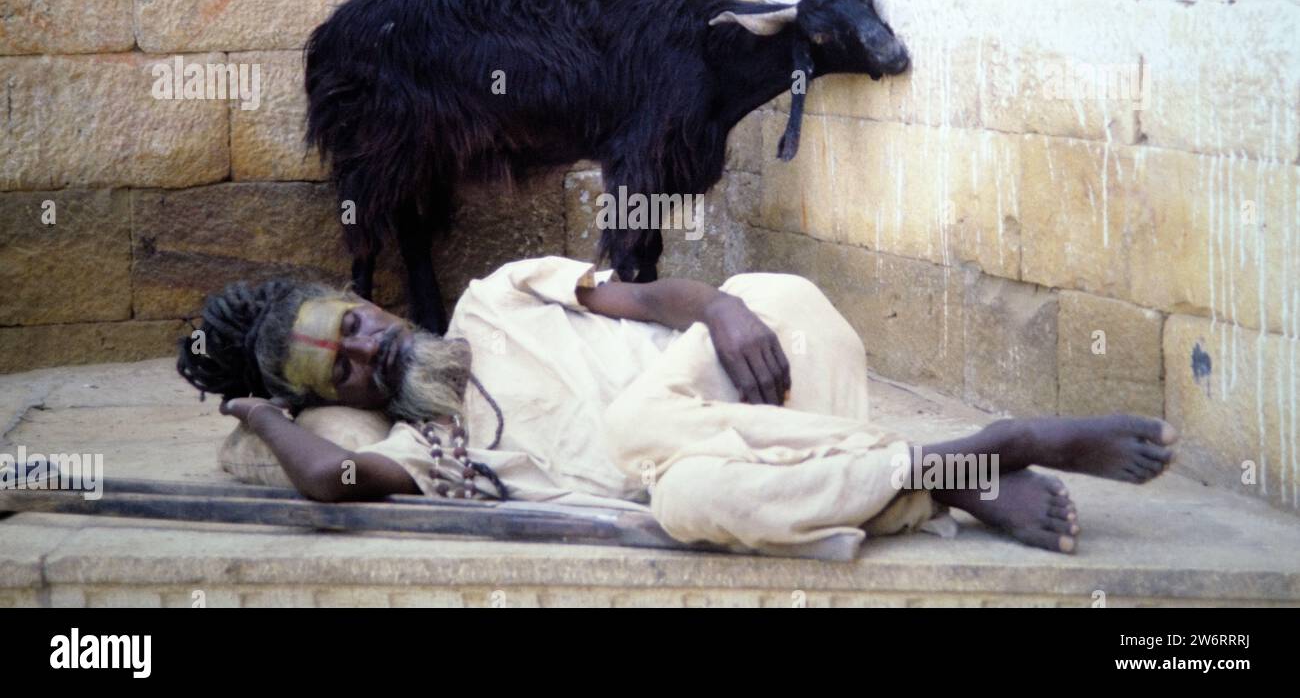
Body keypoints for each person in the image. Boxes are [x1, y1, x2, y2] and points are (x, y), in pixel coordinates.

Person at [177, 257, 1177, 559]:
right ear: (331, 399)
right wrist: (258, 412)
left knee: (775, 295)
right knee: (685, 490)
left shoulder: (493, 294)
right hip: (730, 457)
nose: (366, 352)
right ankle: (961, 467)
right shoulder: (431, 446)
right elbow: (324, 478)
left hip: (747, 381)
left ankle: (927, 476)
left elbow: (650, 299)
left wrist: (726, 306)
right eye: (339, 372)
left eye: (351, 327)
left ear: (368, 304)